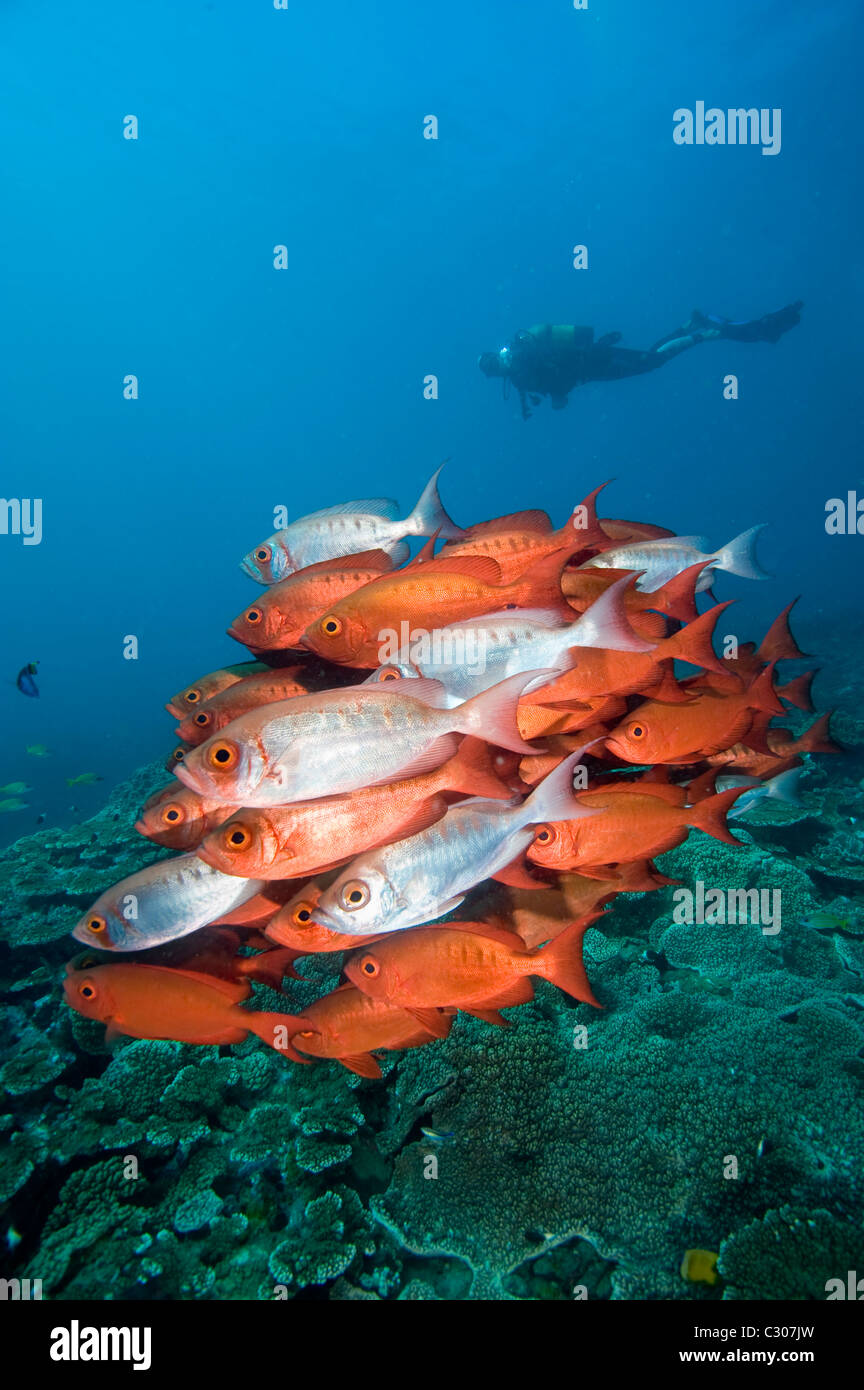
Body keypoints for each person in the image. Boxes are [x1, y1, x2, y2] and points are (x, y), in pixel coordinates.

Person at [478, 302, 803, 418]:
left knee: (653, 362)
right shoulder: (522, 360)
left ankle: (706, 333)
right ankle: (692, 325)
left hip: (595, 364)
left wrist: (560, 395)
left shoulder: (521, 371)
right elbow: (557, 377)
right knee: (651, 357)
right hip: (595, 361)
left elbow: (558, 381)